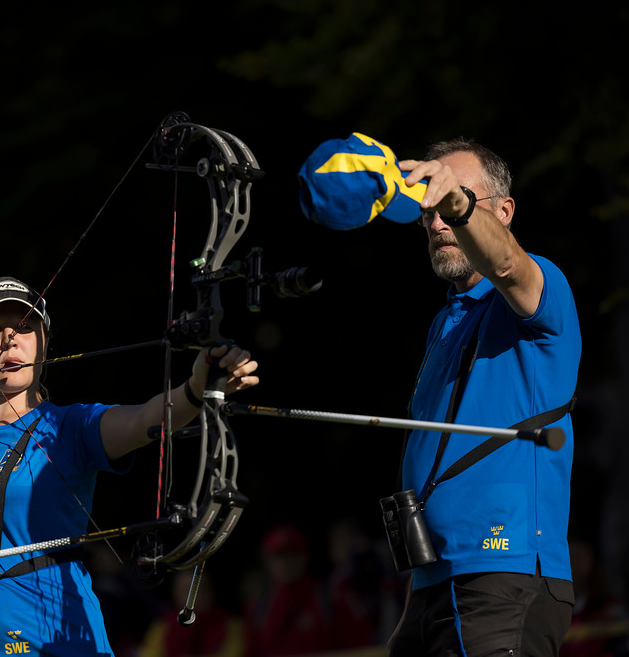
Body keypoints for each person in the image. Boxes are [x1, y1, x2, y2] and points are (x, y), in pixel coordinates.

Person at [0, 276, 260, 656]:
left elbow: (145, 419)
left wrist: (198, 386)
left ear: (44, 344)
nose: (10, 337)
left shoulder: (67, 429)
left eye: (24, 326)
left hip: (60, 642)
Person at [381, 139, 582, 655]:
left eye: (454, 200)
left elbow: (510, 267)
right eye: (430, 208)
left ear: (504, 211)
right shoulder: (445, 323)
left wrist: (460, 204)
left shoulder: (541, 286)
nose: (438, 219)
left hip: (505, 575)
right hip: (433, 583)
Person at [242, 524, 334, 655]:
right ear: (267, 561)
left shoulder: (329, 598)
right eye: (278, 555)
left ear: (305, 557)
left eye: (292, 554)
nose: (285, 562)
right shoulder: (257, 607)